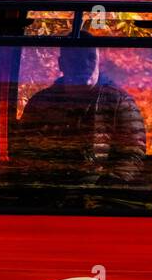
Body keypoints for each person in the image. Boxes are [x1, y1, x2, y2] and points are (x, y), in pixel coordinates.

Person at [13, 45, 145, 187]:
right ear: (61, 64)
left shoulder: (119, 102)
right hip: (47, 191)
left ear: (98, 61)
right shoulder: (41, 103)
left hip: (98, 195)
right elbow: (23, 151)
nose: (85, 64)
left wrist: (105, 190)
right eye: (76, 59)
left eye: (91, 58)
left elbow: (132, 155)